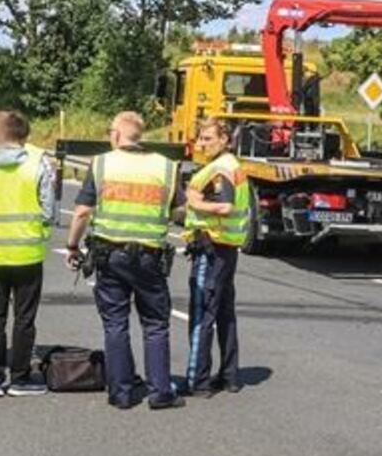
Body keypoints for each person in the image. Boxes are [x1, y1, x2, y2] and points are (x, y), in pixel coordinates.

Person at [66, 111, 180, 410]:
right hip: (149, 257)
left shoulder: (103, 163)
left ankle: (121, 392)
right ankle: (160, 392)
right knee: (155, 324)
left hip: (110, 254)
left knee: (115, 323)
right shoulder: (166, 167)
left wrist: (73, 246)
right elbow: (180, 211)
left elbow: (81, 211)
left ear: (117, 134)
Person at [0, 110, 56, 398]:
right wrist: (38, 233)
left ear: (1, 134)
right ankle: (20, 377)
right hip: (28, 253)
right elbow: (48, 211)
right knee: (24, 318)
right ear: (24, 135)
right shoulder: (39, 163)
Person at [181, 118, 248, 397]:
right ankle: (230, 375)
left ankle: (198, 380)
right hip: (225, 247)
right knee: (224, 312)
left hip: (212, 246)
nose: (201, 144)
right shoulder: (231, 165)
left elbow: (225, 205)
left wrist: (194, 202)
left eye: (208, 138)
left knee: (202, 313)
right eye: (200, 138)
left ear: (225, 140)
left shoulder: (221, 169)